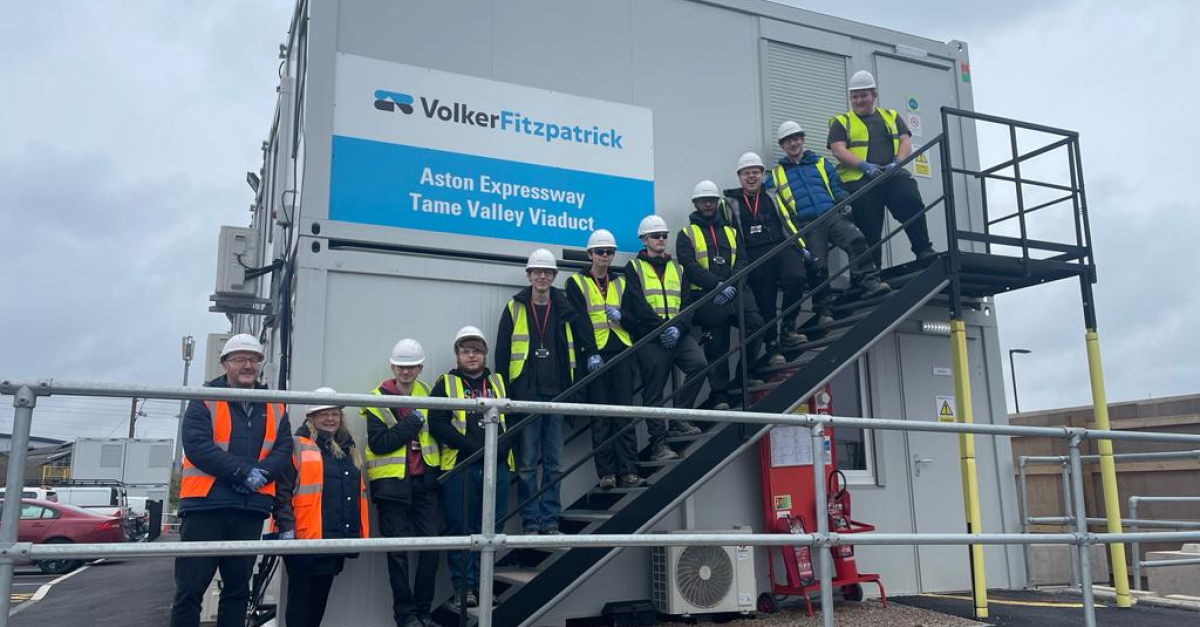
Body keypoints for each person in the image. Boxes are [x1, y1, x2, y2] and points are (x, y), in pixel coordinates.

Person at [172, 333, 293, 627]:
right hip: (205, 506)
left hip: (249, 508)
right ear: (224, 363)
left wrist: (261, 474)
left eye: (253, 359)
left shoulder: (275, 405)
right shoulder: (205, 399)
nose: (247, 365)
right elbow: (198, 446)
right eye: (239, 359)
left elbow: (284, 447)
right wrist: (242, 472)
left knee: (238, 590)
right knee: (190, 589)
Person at [494, 249, 587, 535]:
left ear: (554, 276)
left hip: (557, 395)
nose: (542, 276)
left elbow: (577, 347)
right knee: (526, 464)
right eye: (537, 271)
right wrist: (507, 396)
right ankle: (531, 522)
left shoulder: (565, 307)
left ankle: (550, 521)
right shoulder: (515, 307)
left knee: (554, 463)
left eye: (547, 272)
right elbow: (502, 354)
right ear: (529, 275)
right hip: (526, 396)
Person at [427, 326, 515, 609]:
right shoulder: (445, 384)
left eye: (476, 351)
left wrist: (502, 447)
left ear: (485, 354)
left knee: (491, 529)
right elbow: (437, 423)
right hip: (461, 467)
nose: (472, 356)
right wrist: (470, 447)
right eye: (466, 351)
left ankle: (484, 585)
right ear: (457, 355)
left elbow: (514, 420)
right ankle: (465, 588)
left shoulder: (500, 382)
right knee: (462, 529)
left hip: (497, 467)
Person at [771, 121, 892, 323]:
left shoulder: (820, 163)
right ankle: (824, 311)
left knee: (856, 238)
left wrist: (844, 202)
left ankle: (870, 283)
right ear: (782, 146)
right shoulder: (776, 174)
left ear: (802, 139)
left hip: (832, 215)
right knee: (817, 266)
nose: (794, 143)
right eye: (788, 141)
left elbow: (836, 188)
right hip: (806, 224)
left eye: (796, 138)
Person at [360, 339, 442, 627]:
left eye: (411, 366)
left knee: (432, 548)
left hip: (424, 484)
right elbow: (380, 443)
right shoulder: (377, 398)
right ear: (392, 366)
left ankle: (423, 611)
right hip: (392, 487)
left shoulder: (429, 394)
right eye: (400, 366)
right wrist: (412, 423)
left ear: (420, 367)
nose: (405, 371)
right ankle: (406, 616)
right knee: (398, 555)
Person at [273, 388, 369, 627]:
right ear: (311, 418)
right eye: (323, 413)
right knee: (300, 607)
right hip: (304, 540)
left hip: (333, 539)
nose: (330, 418)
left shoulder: (347, 449)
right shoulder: (298, 445)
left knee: (317, 606)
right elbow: (282, 492)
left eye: (335, 413)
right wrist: (286, 528)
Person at [677, 180, 769, 411]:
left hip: (735, 291)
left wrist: (732, 285)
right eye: (703, 200)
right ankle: (719, 394)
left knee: (756, 325)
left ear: (717, 202)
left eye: (712, 200)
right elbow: (689, 266)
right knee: (716, 344)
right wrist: (717, 286)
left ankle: (743, 376)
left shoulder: (731, 231)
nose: (708, 204)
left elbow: (743, 261)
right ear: (695, 203)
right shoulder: (686, 234)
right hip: (707, 297)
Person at [564, 229, 645, 490]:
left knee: (624, 413)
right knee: (601, 417)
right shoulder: (576, 283)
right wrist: (591, 352)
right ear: (590, 254)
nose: (605, 256)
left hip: (621, 349)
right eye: (600, 252)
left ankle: (628, 470)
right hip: (597, 353)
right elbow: (579, 321)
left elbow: (635, 318)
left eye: (609, 252)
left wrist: (622, 316)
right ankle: (607, 473)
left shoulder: (621, 282)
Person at [828, 70, 935, 265]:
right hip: (860, 182)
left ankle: (923, 249)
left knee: (910, 199)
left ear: (874, 95)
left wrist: (897, 163)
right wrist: (864, 166)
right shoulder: (841, 122)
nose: (859, 100)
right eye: (855, 97)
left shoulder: (891, 116)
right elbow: (837, 149)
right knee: (868, 227)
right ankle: (871, 272)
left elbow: (905, 140)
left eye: (863, 95)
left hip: (891, 176)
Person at [622, 215, 706, 462]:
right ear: (644, 239)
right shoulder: (634, 268)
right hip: (650, 338)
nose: (661, 240)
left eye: (663, 236)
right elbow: (637, 306)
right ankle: (658, 444)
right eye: (656, 236)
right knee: (653, 393)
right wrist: (662, 330)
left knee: (699, 365)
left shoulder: (678, 268)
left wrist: (677, 329)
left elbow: (689, 304)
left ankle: (680, 418)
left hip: (678, 335)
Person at [722, 152, 809, 359]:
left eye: (755, 172)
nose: (751, 177)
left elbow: (791, 219)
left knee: (796, 277)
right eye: (746, 173)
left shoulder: (774, 194)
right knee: (765, 300)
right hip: (753, 254)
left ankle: (789, 328)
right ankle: (772, 347)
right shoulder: (729, 203)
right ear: (739, 177)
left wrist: (801, 245)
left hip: (782, 246)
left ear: (762, 174)